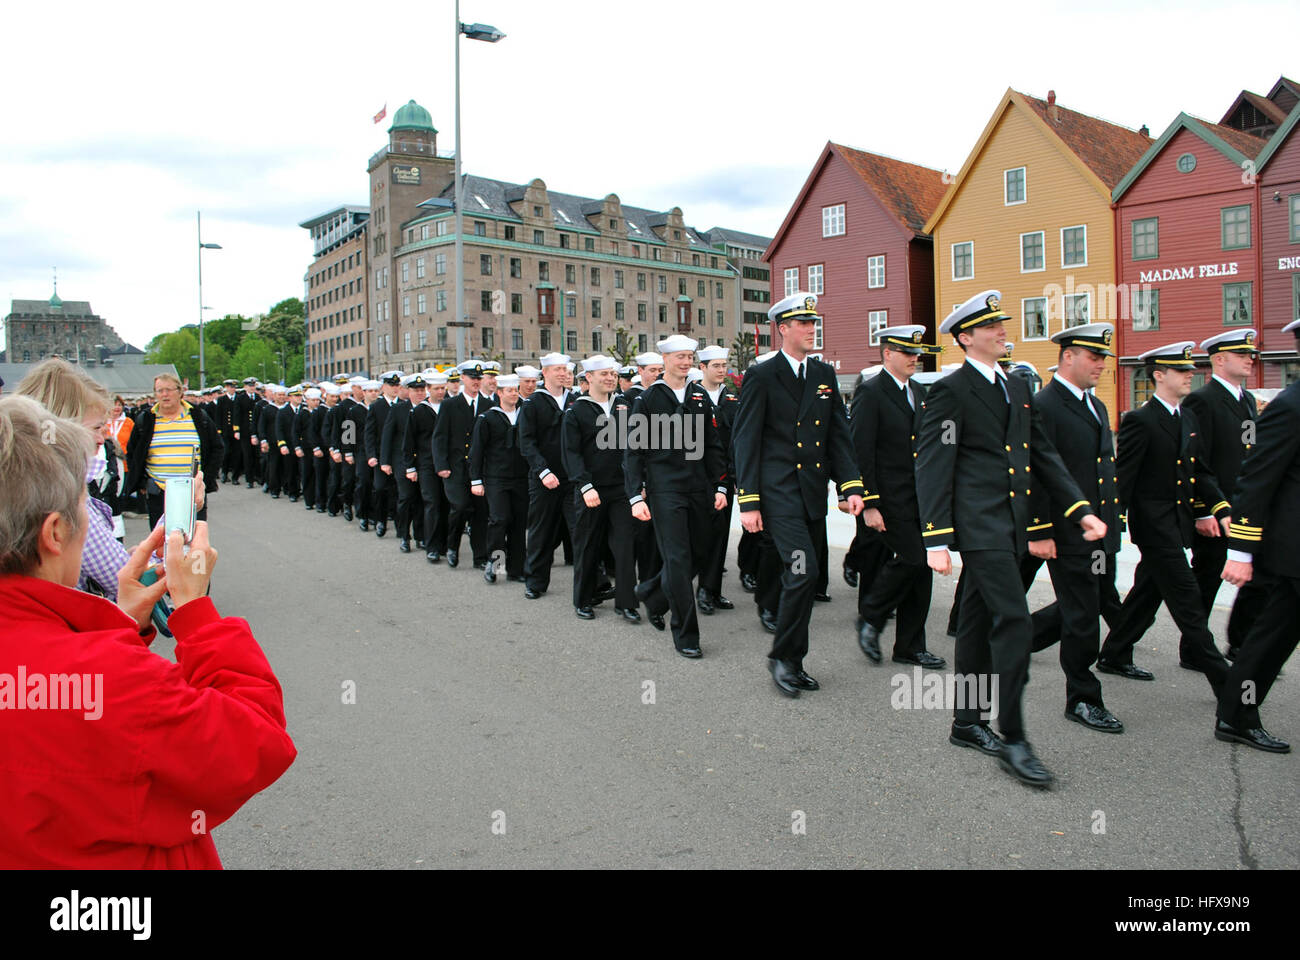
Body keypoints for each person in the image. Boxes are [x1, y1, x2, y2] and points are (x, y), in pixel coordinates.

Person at [0, 394, 297, 868]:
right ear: (55, 533)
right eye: (85, 510)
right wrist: (197, 615)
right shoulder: (115, 679)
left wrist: (117, 623)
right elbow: (254, 743)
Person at [916, 290, 1105, 788]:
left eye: (1002, 324)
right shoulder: (950, 391)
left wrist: (1079, 508)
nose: (1003, 331)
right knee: (1015, 623)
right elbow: (934, 464)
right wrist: (935, 538)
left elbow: (1043, 454)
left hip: (1012, 524)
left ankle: (966, 723)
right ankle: (1015, 740)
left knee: (976, 624)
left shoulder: (1017, 386)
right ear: (965, 338)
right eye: (992, 326)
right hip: (979, 527)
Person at [733, 294, 864, 694]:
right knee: (803, 569)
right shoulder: (763, 375)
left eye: (813, 322)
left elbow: (837, 437)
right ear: (783, 328)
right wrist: (749, 500)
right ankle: (783, 658)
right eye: (803, 323)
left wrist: (850, 486)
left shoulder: (823, 373)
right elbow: (746, 439)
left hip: (810, 493)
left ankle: (792, 657)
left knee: (807, 575)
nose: (811, 329)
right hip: (776, 493)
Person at [1098, 342, 1231, 697]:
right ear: (1159, 375)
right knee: (1188, 602)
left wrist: (1218, 507)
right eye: (1181, 371)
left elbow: (1198, 470)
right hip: (1154, 527)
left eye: (1190, 370)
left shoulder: (1187, 418)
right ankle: (1228, 686)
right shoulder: (1140, 421)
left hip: (1179, 523)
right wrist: (1110, 522)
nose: (1190, 375)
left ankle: (1113, 654)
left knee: (1146, 593)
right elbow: (1122, 478)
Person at [1026, 323, 1125, 734]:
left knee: (1083, 604)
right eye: (1094, 357)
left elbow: (1103, 468)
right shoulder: (1044, 405)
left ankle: (1016, 640)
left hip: (1098, 531)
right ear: (1068, 357)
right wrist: (1041, 529)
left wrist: (1114, 520)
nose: (1101, 364)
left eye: (1103, 358)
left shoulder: (1095, 405)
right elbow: (1037, 473)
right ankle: (1083, 698)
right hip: (1066, 531)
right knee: (1083, 614)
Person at [1216, 318, 1300, 753]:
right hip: (1291, 552)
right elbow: (1256, 479)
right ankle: (1238, 714)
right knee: (1269, 642)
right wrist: (1242, 552)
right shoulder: (1291, 404)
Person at [626, 336, 729, 656]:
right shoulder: (649, 399)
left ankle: (652, 592)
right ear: (665, 359)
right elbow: (633, 451)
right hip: (665, 490)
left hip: (699, 488)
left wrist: (722, 485)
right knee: (678, 560)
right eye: (679, 357)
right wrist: (635, 496)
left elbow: (713, 446)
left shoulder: (699, 396)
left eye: (689, 357)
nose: (685, 362)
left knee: (700, 552)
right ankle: (686, 636)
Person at [850, 326, 945, 669]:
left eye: (917, 353)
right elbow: (861, 449)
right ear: (887, 353)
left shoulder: (919, 391)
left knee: (923, 572)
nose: (914, 359)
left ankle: (910, 646)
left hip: (920, 496)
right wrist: (870, 503)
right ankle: (871, 615)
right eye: (907, 353)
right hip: (888, 497)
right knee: (914, 559)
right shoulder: (871, 392)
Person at [1184, 330, 1262, 660]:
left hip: (1244, 506)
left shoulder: (1245, 399)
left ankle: (1240, 642)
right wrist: (1205, 510)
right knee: (1207, 579)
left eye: (1251, 354)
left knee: (1256, 577)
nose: (1250, 359)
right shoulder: (1203, 400)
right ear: (1219, 359)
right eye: (1242, 354)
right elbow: (1195, 461)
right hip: (1217, 508)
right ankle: (1194, 649)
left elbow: (1250, 453)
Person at [562, 355, 638, 621]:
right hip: (591, 490)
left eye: (613, 375)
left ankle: (626, 603)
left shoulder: (624, 405)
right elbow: (571, 453)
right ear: (589, 378)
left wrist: (638, 484)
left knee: (626, 546)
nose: (609, 378)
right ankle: (583, 599)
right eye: (604, 374)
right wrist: (584, 485)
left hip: (621, 490)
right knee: (587, 545)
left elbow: (634, 447)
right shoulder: (576, 411)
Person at [123, 372, 222, 529]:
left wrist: (205, 479)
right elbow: (133, 452)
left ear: (180, 391)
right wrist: (142, 482)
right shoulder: (146, 419)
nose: (164, 395)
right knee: (161, 544)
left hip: (191, 492)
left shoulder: (198, 416)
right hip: (159, 492)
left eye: (169, 390)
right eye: (160, 390)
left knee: (194, 543)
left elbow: (217, 448)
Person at [518, 353, 577, 598]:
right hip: (545, 478)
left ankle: (591, 584)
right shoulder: (534, 403)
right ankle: (535, 582)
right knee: (541, 532)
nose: (563, 373)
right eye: (557, 369)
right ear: (545, 373)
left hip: (572, 479)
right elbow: (526, 442)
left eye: (565, 369)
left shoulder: (575, 400)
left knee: (581, 531)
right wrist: (542, 471)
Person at [469, 374, 529, 584]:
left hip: (521, 478)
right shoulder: (488, 418)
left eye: (515, 390)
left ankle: (516, 568)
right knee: (499, 519)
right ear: (500, 393)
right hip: (496, 478)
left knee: (519, 523)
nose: (514, 394)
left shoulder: (524, 415)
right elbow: (477, 451)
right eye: (509, 391)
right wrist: (475, 480)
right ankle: (495, 565)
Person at [433, 362, 492, 567]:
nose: (476, 381)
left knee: (480, 512)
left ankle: (480, 557)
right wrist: (441, 464)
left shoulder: (488, 405)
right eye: (472, 378)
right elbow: (439, 437)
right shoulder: (450, 405)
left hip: (480, 469)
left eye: (478, 378)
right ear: (463, 379)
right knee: (459, 507)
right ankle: (452, 546)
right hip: (455, 467)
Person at [695, 345, 738, 615]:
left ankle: (712, 590)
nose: (722, 371)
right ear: (703, 367)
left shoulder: (732, 398)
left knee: (720, 535)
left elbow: (737, 440)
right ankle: (698, 587)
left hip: (725, 476)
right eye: (716, 366)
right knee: (699, 534)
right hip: (697, 477)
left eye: (724, 366)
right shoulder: (691, 396)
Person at [405, 371, 450, 562]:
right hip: (426, 464)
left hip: (447, 463)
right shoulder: (419, 411)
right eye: (437, 389)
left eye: (443, 388)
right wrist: (410, 467)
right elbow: (409, 442)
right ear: (428, 390)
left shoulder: (449, 407)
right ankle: (431, 546)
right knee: (432, 504)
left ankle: (444, 544)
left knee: (446, 504)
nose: (440, 392)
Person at [385, 374, 424, 552]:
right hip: (402, 461)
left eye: (422, 390)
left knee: (422, 500)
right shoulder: (398, 409)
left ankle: (420, 536)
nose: (420, 393)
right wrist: (385, 461)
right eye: (416, 390)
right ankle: (404, 536)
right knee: (406, 498)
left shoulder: (428, 409)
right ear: (408, 391)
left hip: (422, 461)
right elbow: (388, 436)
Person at [365, 372, 401, 537]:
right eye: (391, 386)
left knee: (399, 491)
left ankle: (399, 521)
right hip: (380, 455)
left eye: (397, 385)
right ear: (384, 387)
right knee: (379, 488)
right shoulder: (375, 407)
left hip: (399, 456)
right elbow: (369, 434)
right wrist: (371, 454)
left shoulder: (403, 405)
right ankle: (380, 519)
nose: (395, 388)